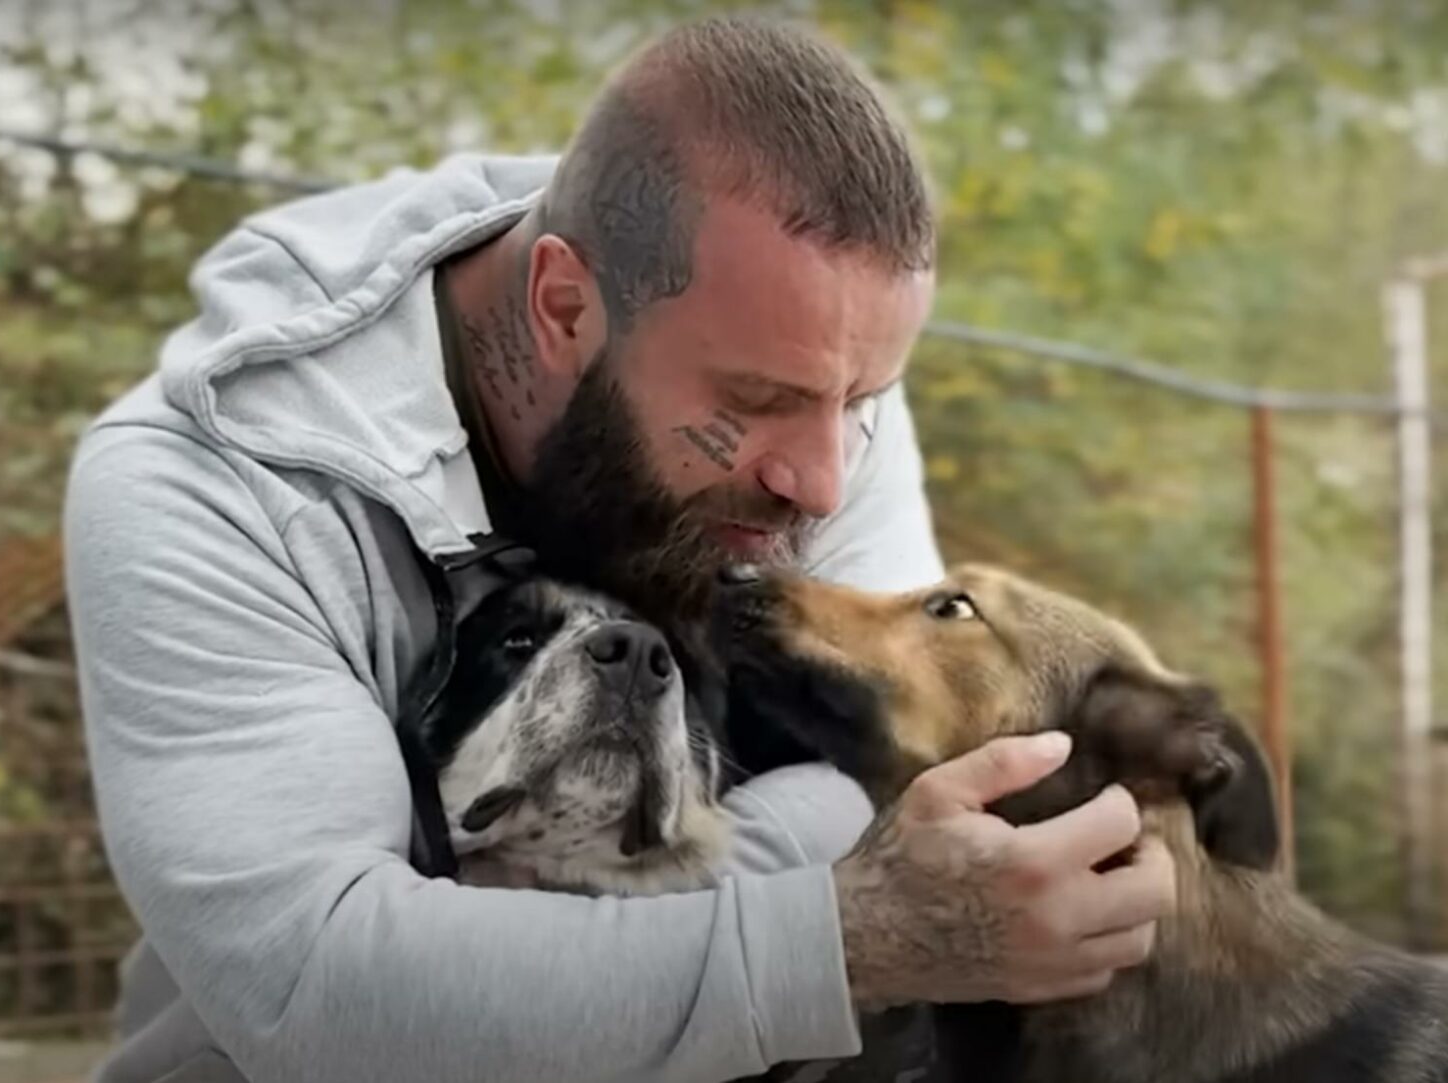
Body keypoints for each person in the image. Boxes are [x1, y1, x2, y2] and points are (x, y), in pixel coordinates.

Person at [64, 14, 1175, 1083]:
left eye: (864, 402)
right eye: (758, 399)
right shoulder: (210, 487)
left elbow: (885, 758)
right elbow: (319, 998)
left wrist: (529, 964)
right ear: (562, 306)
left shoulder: (803, 378)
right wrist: (840, 938)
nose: (826, 481)